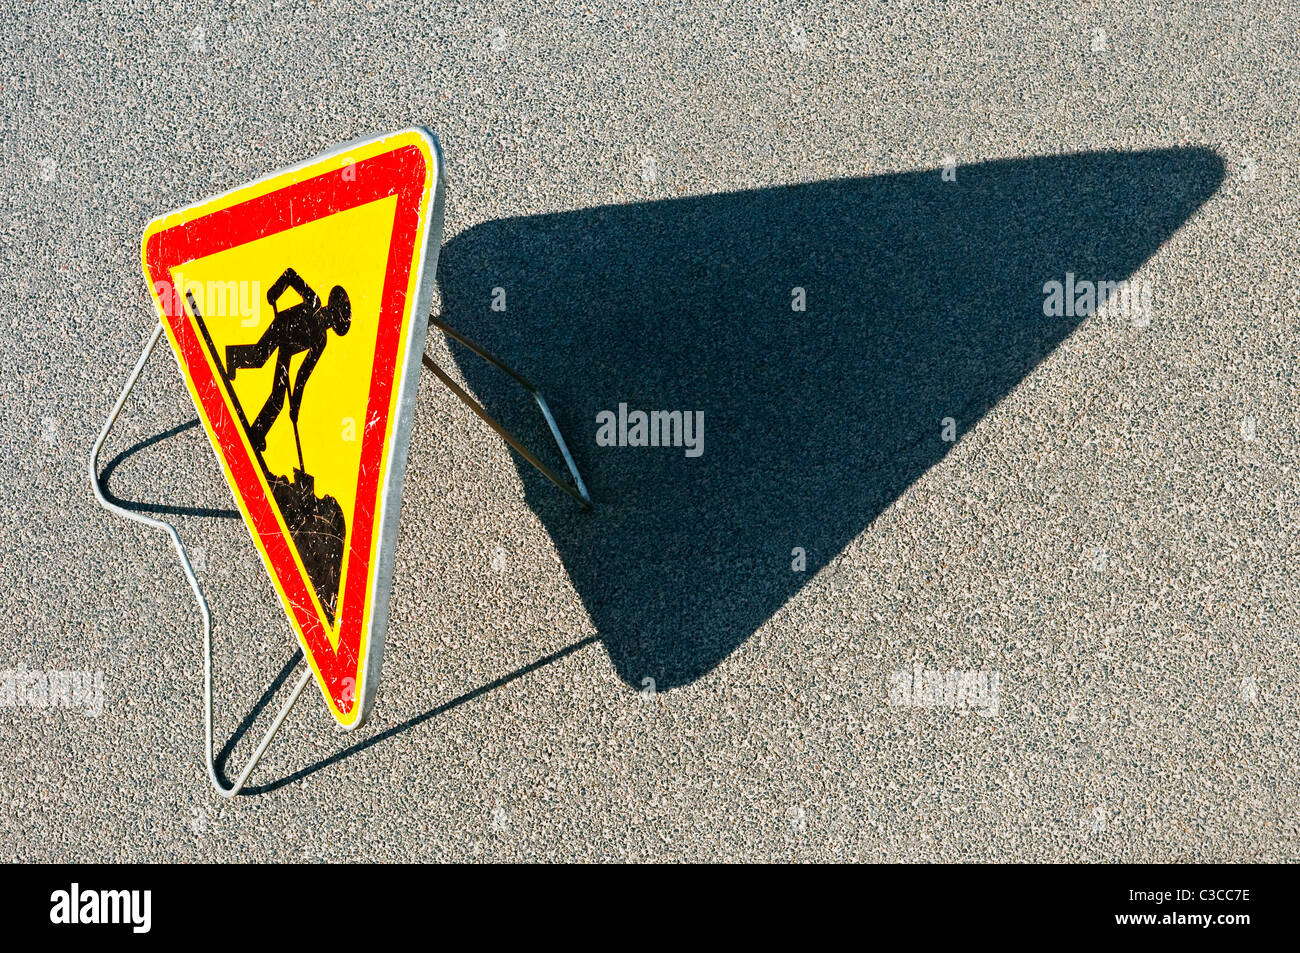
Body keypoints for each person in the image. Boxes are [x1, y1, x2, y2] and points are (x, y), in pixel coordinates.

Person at [226, 267, 351, 453]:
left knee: (278, 399)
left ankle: (256, 433)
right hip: (281, 328)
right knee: (259, 356)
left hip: (287, 349)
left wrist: (296, 406)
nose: (327, 320)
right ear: (328, 306)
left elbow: (303, 373)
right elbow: (291, 275)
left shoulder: (321, 340)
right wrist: (275, 291)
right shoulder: (314, 302)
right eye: (330, 314)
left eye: (332, 321)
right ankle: (233, 355)